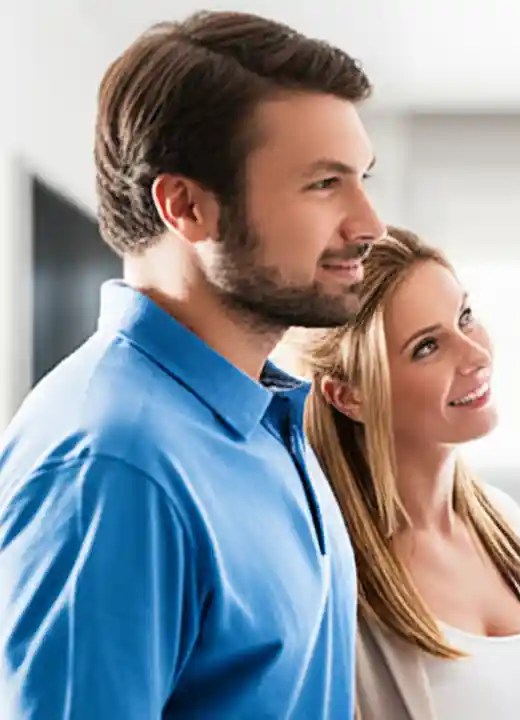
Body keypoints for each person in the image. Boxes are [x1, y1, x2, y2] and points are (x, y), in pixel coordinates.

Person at [0, 11, 384, 718]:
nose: (369, 224)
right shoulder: (115, 463)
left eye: (361, 178)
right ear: (186, 207)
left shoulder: (267, 423)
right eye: (324, 184)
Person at [280, 226, 520, 720]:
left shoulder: (501, 520)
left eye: (465, 317)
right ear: (349, 394)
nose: (477, 355)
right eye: (427, 347)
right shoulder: (326, 575)